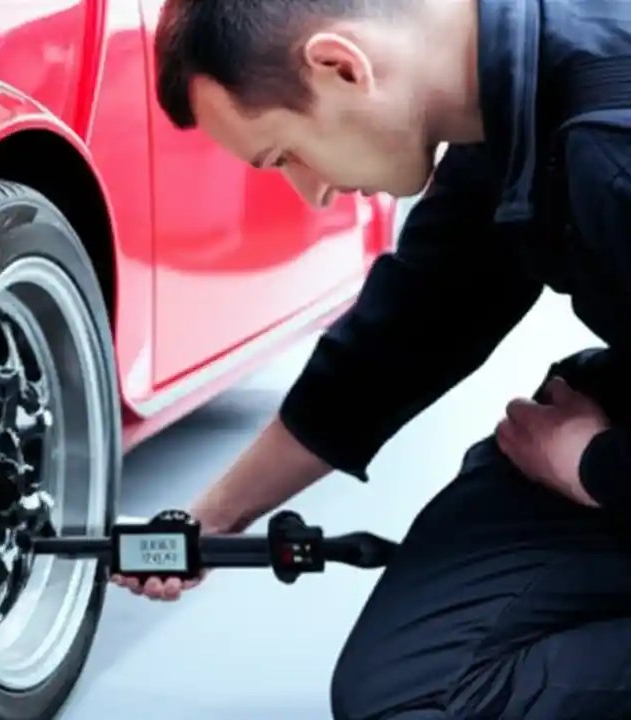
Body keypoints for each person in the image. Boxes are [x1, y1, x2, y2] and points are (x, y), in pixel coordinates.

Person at [112, 0, 631, 717]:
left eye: (284, 154)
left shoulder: (611, 146)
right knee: (407, 688)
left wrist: (594, 466)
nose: (313, 190)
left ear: (339, 67)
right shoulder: (513, 108)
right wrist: (214, 519)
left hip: (604, 452)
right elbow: (405, 333)